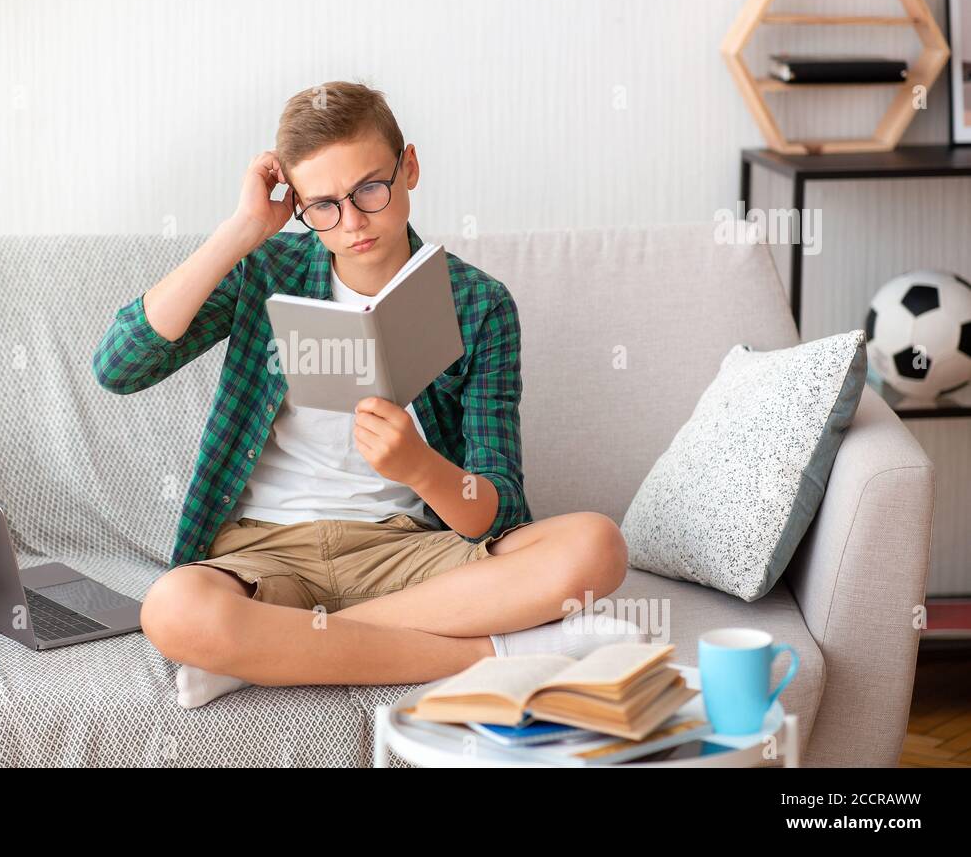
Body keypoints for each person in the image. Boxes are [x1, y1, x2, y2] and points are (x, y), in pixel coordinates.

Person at [92, 80, 640, 708]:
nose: (351, 223)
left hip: (407, 553)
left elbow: (502, 512)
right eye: (321, 206)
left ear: (408, 167)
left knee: (595, 546)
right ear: (295, 204)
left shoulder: (479, 304)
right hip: (266, 554)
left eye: (369, 191)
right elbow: (117, 367)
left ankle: (274, 651)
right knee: (174, 609)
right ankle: (483, 654)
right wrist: (243, 230)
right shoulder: (266, 272)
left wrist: (422, 469)